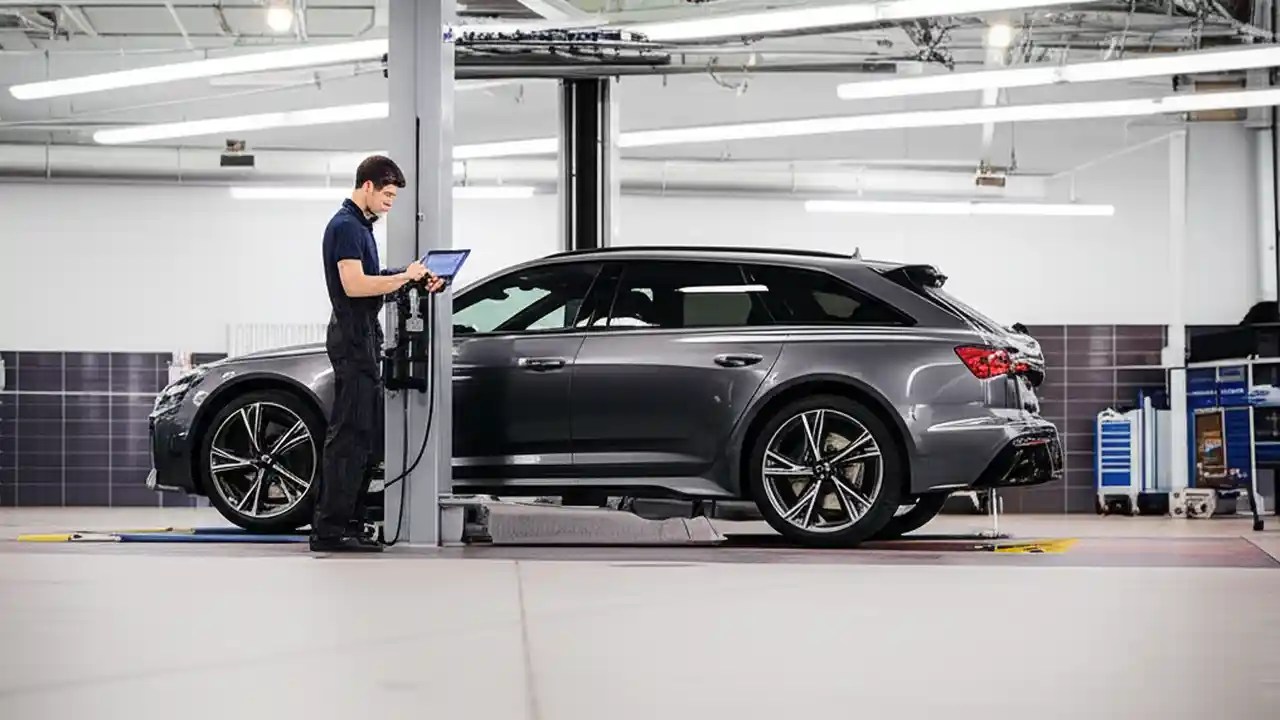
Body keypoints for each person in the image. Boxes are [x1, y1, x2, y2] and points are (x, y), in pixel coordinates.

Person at [312, 155, 444, 553]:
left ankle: (350, 524)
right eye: (387, 195)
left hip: (364, 335)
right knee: (349, 437)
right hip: (352, 338)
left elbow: (372, 278)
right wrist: (404, 277)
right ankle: (331, 531)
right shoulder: (346, 227)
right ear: (367, 186)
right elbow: (353, 285)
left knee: (364, 436)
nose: (390, 202)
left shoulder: (361, 228)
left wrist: (410, 275)